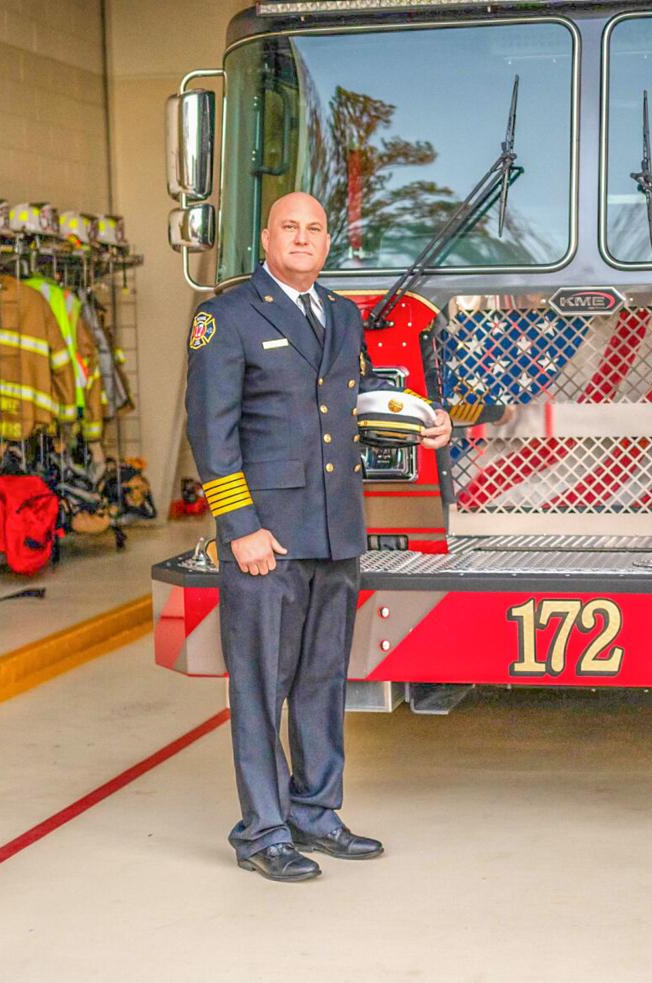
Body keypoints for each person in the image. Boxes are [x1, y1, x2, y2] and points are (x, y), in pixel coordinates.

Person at [185, 192, 452, 882]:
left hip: (335, 528)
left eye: (314, 229)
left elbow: (351, 410)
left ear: (328, 242)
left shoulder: (339, 314)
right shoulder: (227, 317)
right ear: (266, 239)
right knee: (259, 684)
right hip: (267, 536)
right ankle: (263, 829)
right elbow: (210, 437)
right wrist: (239, 527)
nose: (302, 238)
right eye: (289, 228)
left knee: (322, 679)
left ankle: (316, 811)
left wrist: (428, 421)